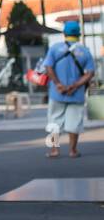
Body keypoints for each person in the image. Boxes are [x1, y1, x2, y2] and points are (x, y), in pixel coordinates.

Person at [39, 20, 95, 159]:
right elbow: (90, 73)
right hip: (76, 94)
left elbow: (48, 67)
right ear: (79, 35)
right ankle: (72, 150)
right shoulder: (85, 51)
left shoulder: (55, 48)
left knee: (54, 121)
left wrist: (58, 84)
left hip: (56, 92)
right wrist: (74, 86)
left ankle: (54, 150)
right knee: (74, 122)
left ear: (64, 34)